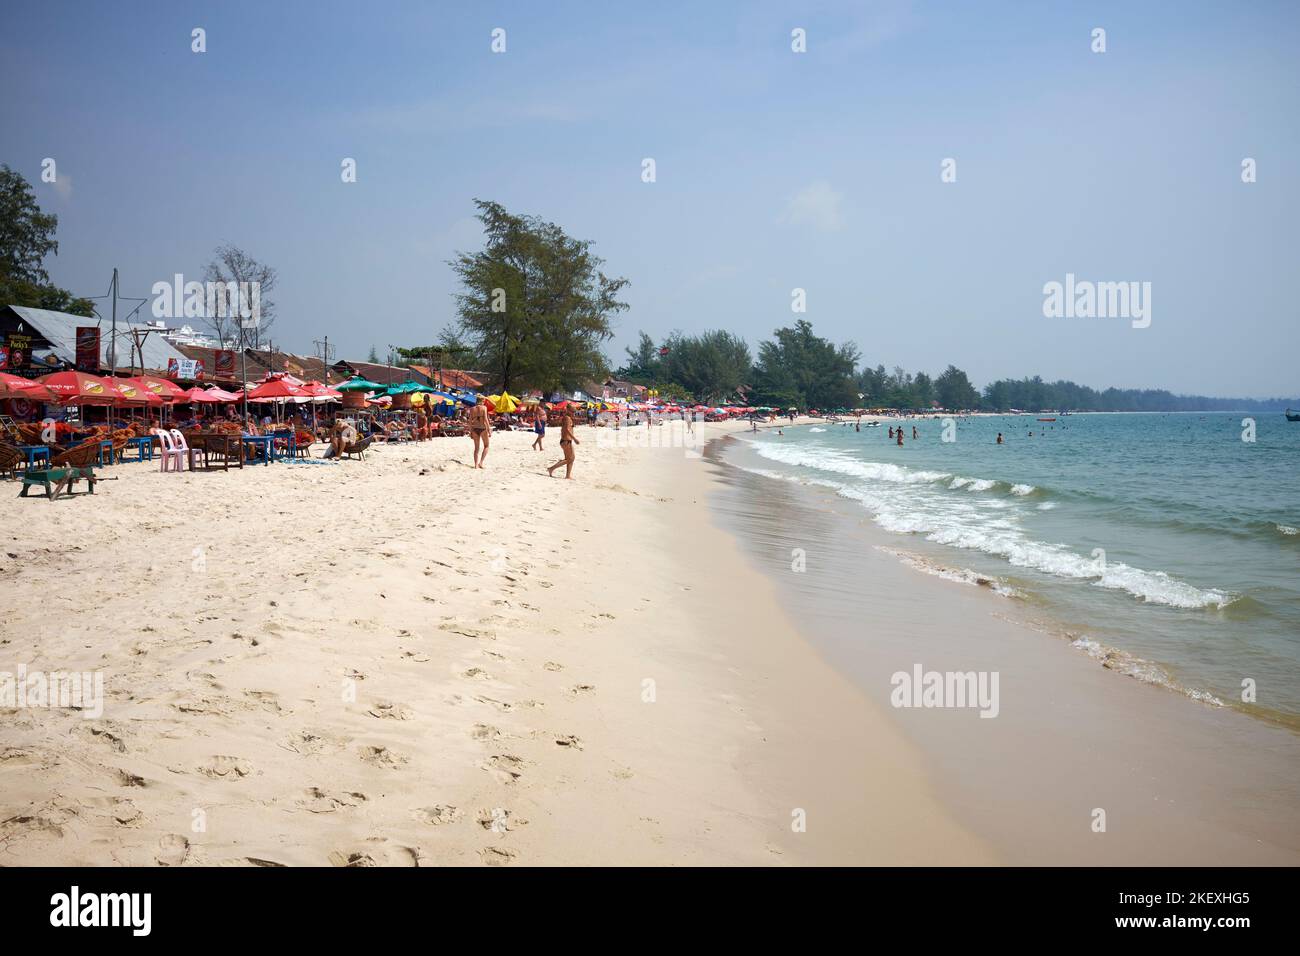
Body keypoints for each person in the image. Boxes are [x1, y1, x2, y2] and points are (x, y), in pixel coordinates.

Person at [547, 411, 579, 479]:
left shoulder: (566, 418)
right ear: (569, 410)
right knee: (570, 459)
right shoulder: (567, 418)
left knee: (570, 458)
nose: (574, 412)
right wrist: (575, 439)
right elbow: (567, 429)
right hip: (566, 441)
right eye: (573, 410)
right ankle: (551, 468)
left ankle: (568, 475)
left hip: (566, 441)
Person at [467, 398, 491, 468]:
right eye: (484, 401)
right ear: (482, 401)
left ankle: (476, 465)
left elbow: (470, 421)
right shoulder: (484, 408)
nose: (484, 402)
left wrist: (470, 432)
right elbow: (486, 419)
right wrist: (489, 430)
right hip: (483, 428)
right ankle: (481, 463)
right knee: (486, 446)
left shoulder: (472, 409)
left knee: (476, 448)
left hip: (475, 429)